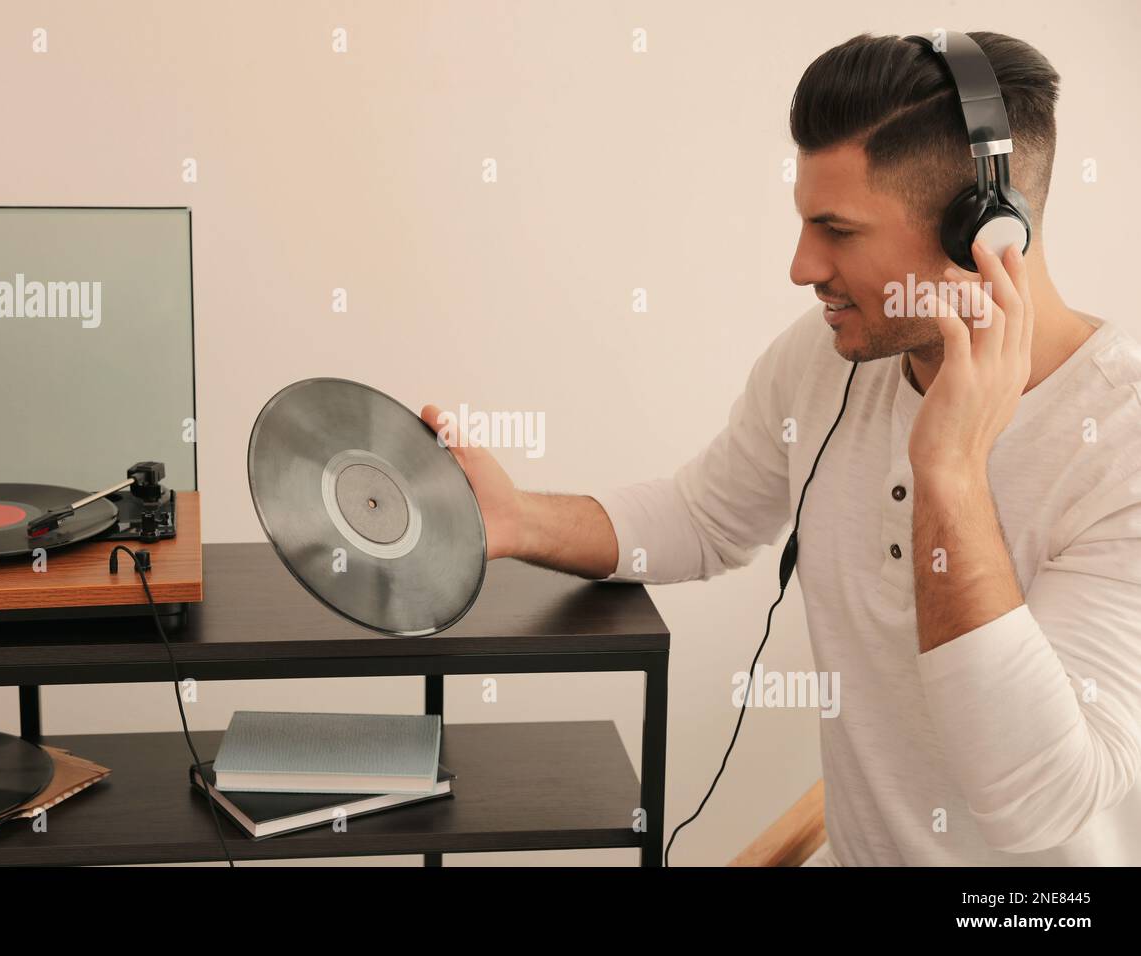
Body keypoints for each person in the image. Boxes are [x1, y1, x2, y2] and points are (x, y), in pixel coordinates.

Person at [423, 32, 1141, 866]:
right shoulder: (829, 357)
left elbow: (1037, 807)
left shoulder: (1120, 444)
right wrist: (519, 521)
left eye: (836, 230)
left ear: (986, 236)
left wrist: (948, 470)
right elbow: (704, 516)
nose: (802, 267)